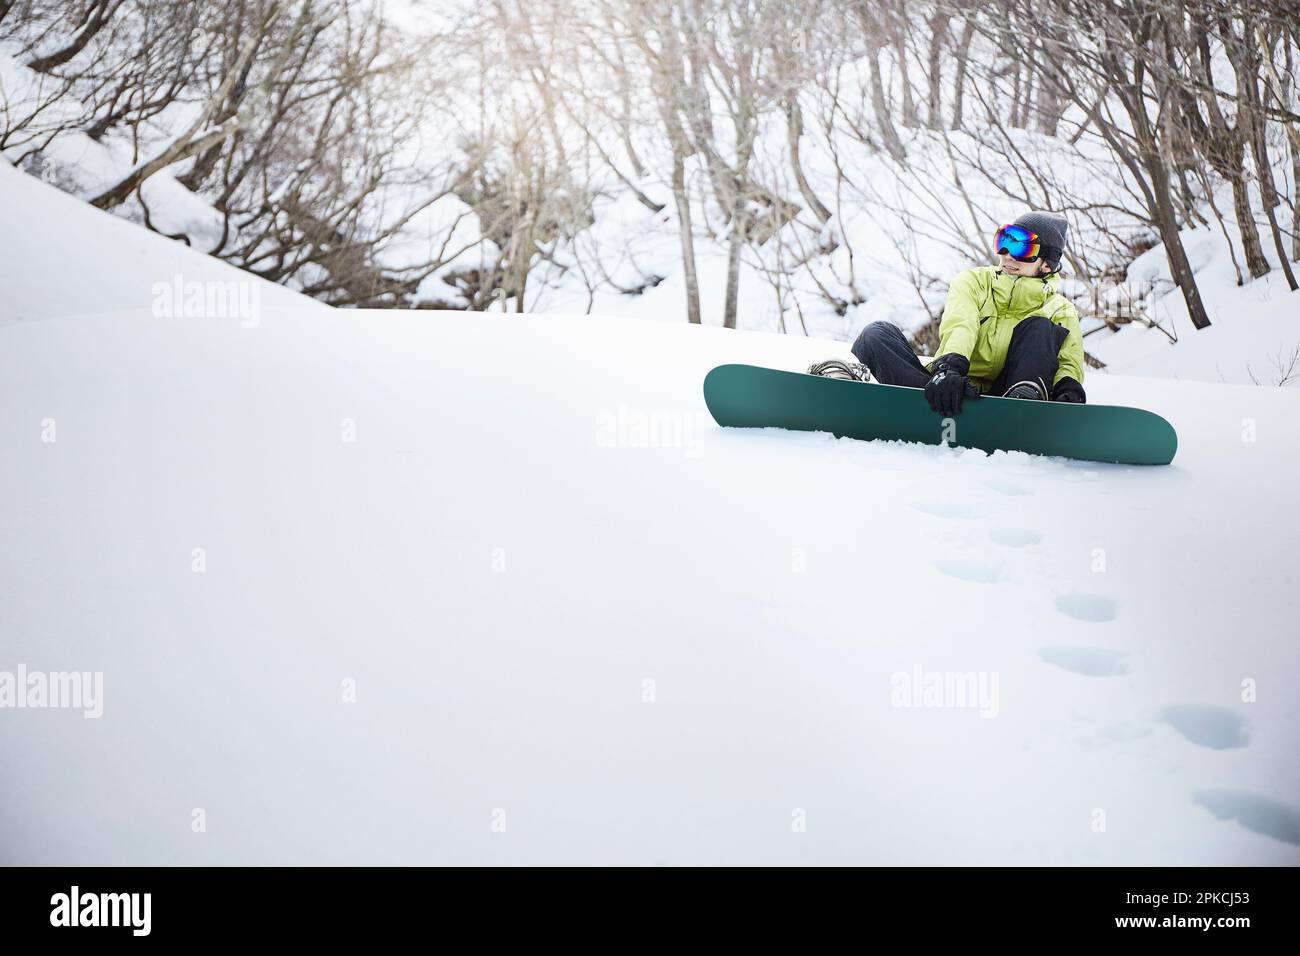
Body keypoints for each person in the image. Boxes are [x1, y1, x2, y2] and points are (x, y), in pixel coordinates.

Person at [810, 212, 1086, 417]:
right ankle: (917, 398)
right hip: (950, 387)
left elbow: (1068, 361)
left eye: (1022, 248)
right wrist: (948, 369)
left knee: (1040, 328)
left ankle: (1022, 405)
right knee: (874, 335)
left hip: (1009, 395)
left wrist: (1068, 392)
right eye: (1004, 242)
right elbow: (960, 326)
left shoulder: (1061, 310)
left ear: (1047, 264)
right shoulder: (974, 282)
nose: (1008, 256)